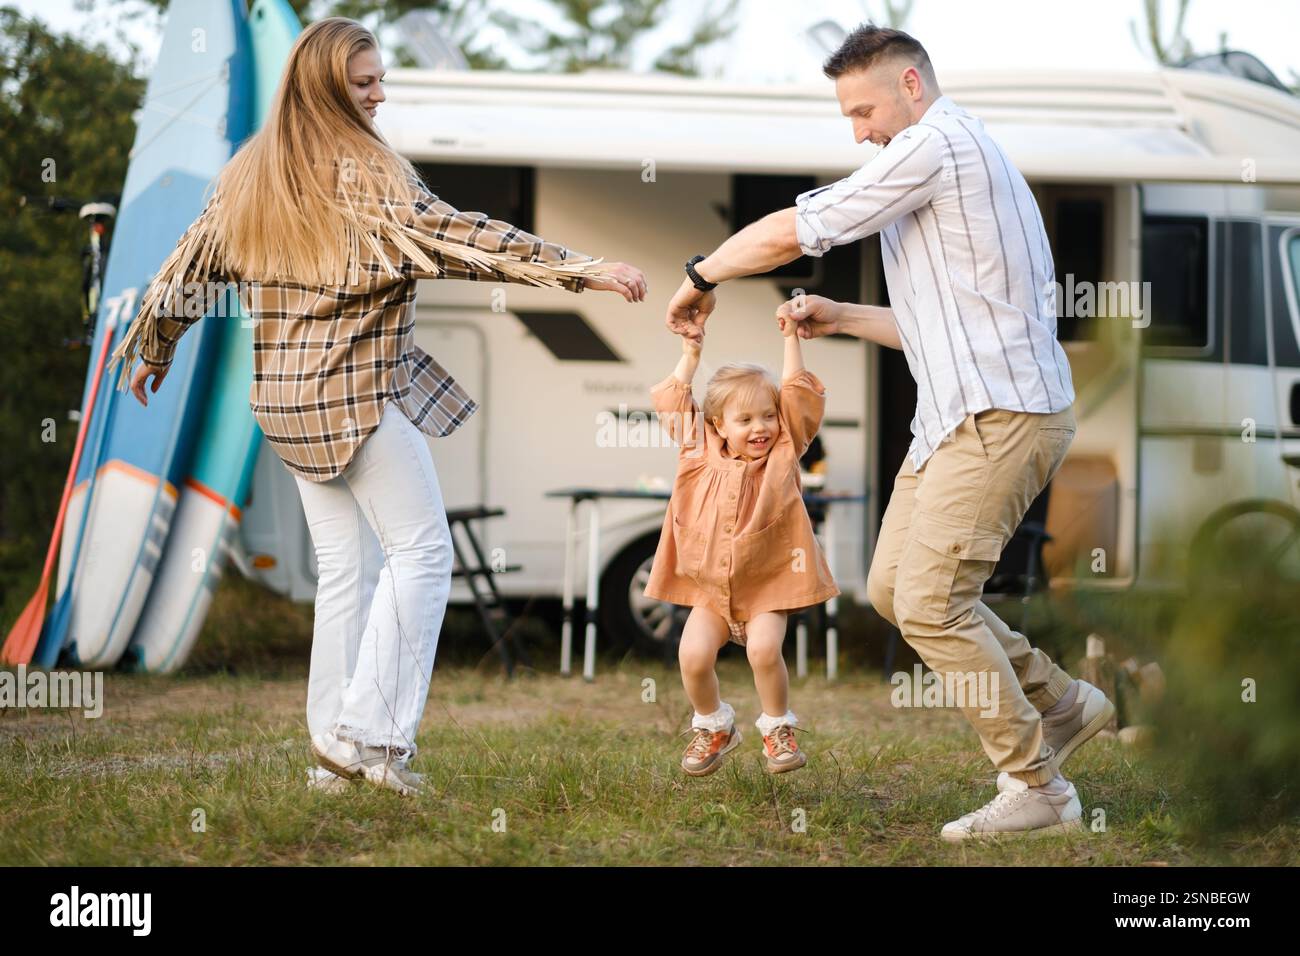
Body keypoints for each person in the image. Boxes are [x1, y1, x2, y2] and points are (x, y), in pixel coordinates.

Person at [108, 17, 646, 796]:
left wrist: (153, 344)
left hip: (287, 406)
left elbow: (190, 262)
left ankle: (336, 752)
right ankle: (375, 738)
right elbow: (462, 239)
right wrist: (581, 269)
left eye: (380, 79)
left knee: (346, 571)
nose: (379, 93)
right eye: (365, 83)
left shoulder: (251, 173)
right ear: (327, 86)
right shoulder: (365, 176)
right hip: (351, 397)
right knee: (424, 554)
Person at [663, 23, 1114, 839]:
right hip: (957, 414)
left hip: (1001, 415)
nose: (859, 130)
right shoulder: (954, 157)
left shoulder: (935, 144)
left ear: (911, 85)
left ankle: (1039, 788)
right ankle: (1061, 701)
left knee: (935, 605)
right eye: (849, 117)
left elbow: (797, 228)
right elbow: (938, 322)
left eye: (863, 110)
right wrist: (841, 315)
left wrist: (701, 274)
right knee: (891, 591)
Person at [644, 307, 839, 776]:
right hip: (710, 588)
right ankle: (714, 726)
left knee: (764, 651)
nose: (761, 428)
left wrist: (792, 337)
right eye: (746, 419)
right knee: (691, 656)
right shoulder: (696, 448)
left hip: (768, 583)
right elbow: (672, 401)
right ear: (717, 426)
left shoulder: (785, 451)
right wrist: (691, 353)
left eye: (767, 416)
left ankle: (776, 728)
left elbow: (797, 395)